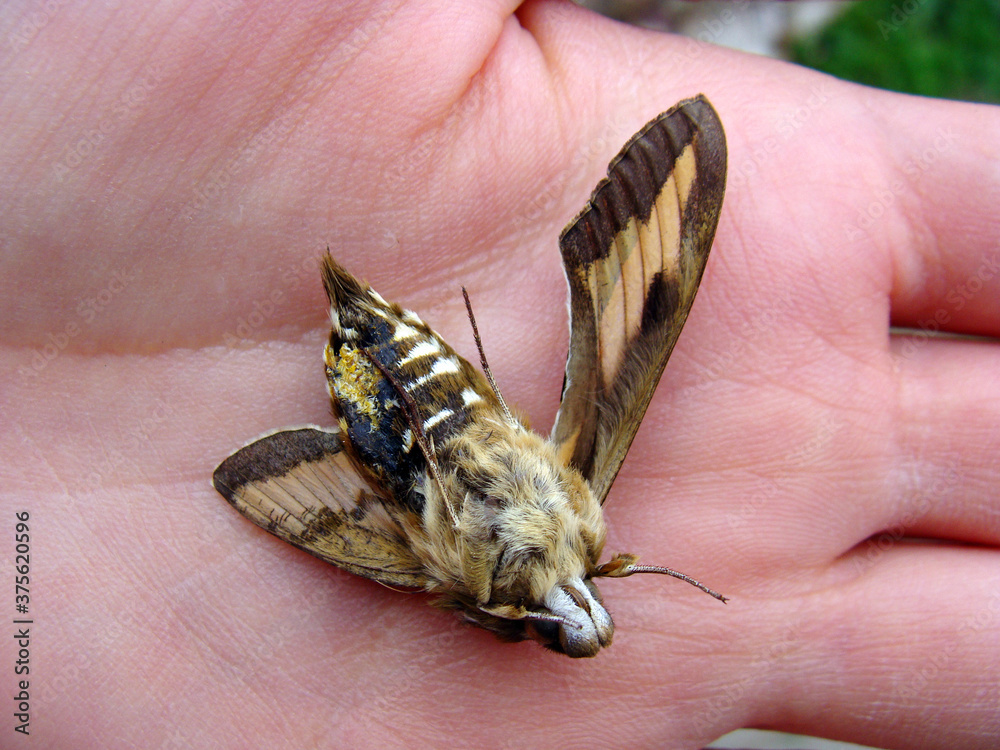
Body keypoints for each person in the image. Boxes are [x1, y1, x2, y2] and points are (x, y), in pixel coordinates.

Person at [2, 2, 997, 747]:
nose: (580, 612)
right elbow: (633, 331)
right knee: (633, 330)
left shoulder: (464, 580)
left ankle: (366, 351)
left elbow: (292, 495)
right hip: (424, 389)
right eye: (593, 610)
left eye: (568, 626)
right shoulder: (582, 502)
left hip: (391, 424)